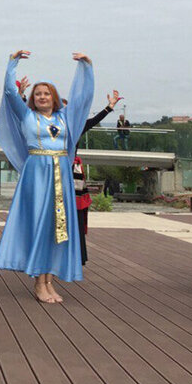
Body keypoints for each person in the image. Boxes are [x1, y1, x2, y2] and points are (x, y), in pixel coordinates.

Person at [0, 50, 94, 303]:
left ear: (54, 97)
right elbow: (8, 92)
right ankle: (39, 283)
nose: (41, 97)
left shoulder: (64, 118)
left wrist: (86, 68)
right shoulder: (27, 115)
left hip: (61, 174)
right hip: (37, 175)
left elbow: (83, 99)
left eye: (46, 93)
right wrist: (12, 63)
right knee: (39, 224)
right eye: (38, 94)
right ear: (33, 98)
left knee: (55, 227)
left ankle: (49, 281)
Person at [73, 90, 123, 265]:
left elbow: (94, 121)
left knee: (76, 212)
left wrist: (109, 107)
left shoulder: (76, 126)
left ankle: (76, 255)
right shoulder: (50, 126)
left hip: (72, 176)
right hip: (54, 172)